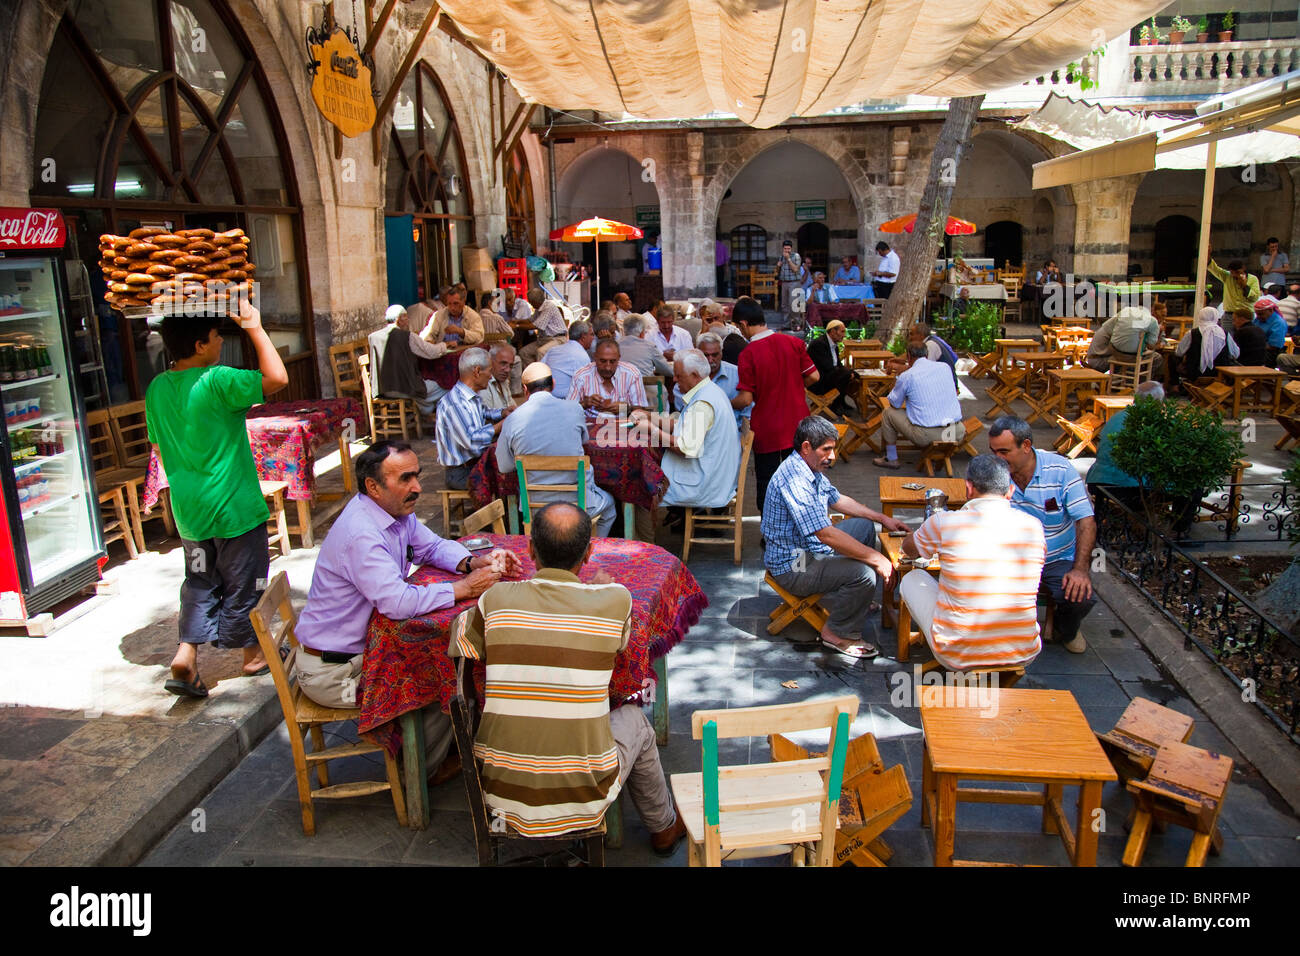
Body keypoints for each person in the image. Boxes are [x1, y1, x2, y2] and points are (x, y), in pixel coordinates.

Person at [447, 502, 686, 852]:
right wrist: (601, 590)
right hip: (583, 796)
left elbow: (459, 639)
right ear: (589, 552)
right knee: (635, 719)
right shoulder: (615, 601)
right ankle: (663, 827)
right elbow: (622, 642)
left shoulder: (495, 599)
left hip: (499, 790)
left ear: (529, 549)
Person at [294, 440, 514, 777]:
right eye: (406, 479)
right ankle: (420, 773)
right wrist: (463, 588)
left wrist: (472, 562)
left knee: (449, 663)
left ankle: (441, 748)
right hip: (334, 672)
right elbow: (396, 603)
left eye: (417, 476)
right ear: (374, 486)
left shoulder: (393, 513)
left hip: (357, 652)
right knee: (435, 680)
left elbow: (432, 547)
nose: (417, 487)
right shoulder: (362, 534)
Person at [149, 302, 288, 697]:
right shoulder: (217, 379)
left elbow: (158, 446)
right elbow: (276, 378)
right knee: (246, 580)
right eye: (215, 337)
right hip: (234, 507)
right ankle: (252, 655)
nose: (219, 343)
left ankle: (186, 656)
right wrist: (255, 328)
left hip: (190, 513)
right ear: (198, 344)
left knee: (200, 580)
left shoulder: (158, 388)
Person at [763, 416, 909, 658]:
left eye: (834, 448)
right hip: (794, 564)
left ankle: (855, 602)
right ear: (807, 447)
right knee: (864, 575)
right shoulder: (795, 478)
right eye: (826, 449)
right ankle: (837, 633)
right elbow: (826, 534)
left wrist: (882, 518)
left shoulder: (809, 466)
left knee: (863, 526)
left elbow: (836, 499)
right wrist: (876, 558)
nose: (832, 456)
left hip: (809, 550)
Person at [900, 454, 1046, 671]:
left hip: (956, 653)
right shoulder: (1033, 526)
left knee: (912, 577)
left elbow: (908, 550)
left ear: (969, 488)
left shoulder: (944, 522)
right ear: (1010, 491)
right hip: (1023, 651)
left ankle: (908, 647)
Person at [988, 415, 1096, 654]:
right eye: (994, 451)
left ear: (1026, 446)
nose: (998, 458)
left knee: (1080, 596)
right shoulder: (993, 472)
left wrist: (1080, 569)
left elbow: (1086, 521)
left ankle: (1066, 628)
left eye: (1004, 451)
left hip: (1056, 557)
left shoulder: (1060, 470)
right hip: (1009, 558)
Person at [497, 363, 616, 536]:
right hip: (577, 504)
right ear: (553, 383)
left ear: (524, 389)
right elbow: (583, 440)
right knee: (609, 507)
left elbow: (504, 467)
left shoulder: (512, 420)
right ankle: (587, 553)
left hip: (535, 508)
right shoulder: (574, 409)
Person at [732, 296, 819, 511]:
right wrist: (796, 387)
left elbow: (746, 399)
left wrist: (724, 403)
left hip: (767, 425)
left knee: (767, 481)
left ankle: (770, 531)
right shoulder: (793, 342)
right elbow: (814, 376)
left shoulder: (748, 354)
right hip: (798, 421)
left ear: (743, 324)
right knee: (800, 477)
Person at [633, 349, 742, 512]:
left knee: (638, 483)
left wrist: (651, 430)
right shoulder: (709, 390)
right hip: (715, 474)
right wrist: (650, 417)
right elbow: (683, 425)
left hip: (706, 482)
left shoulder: (702, 403)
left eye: (679, 375)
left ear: (695, 375)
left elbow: (685, 448)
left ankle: (642, 536)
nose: (675, 380)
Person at [874, 343, 964, 470]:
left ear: (909, 356)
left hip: (926, 435)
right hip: (957, 431)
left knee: (888, 413)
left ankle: (891, 458)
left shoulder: (908, 375)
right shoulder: (945, 367)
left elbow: (895, 403)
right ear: (926, 354)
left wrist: (898, 380)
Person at [435, 348, 508, 489]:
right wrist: (500, 425)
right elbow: (471, 440)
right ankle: (503, 510)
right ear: (477, 371)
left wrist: (503, 412)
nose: (491, 376)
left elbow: (485, 412)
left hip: (473, 464)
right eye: (489, 371)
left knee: (511, 469)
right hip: (460, 472)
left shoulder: (471, 397)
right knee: (507, 479)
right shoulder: (455, 403)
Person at [369, 303, 448, 424]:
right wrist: (445, 345)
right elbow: (431, 352)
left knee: (422, 392)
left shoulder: (373, 337)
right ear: (398, 319)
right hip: (404, 388)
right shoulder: (407, 336)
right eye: (405, 317)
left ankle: (424, 411)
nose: (408, 320)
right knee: (444, 386)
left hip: (381, 388)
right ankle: (428, 413)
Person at [674, 331, 750, 429]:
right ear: (697, 353)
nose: (710, 360)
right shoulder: (686, 376)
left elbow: (747, 413)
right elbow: (683, 414)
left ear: (722, 353)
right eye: (706, 355)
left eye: (715, 355)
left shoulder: (737, 374)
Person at [568, 339, 649, 420]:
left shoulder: (632, 374)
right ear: (595, 357)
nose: (607, 367)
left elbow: (640, 411)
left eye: (613, 361)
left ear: (619, 358)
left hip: (623, 426)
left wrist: (627, 409)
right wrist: (585, 404)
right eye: (602, 361)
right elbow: (568, 411)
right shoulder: (581, 376)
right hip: (589, 426)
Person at [1174, 306, 1238, 383]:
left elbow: (1179, 352)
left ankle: (1174, 386)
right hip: (1221, 375)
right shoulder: (1225, 334)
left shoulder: (1192, 333)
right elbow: (1235, 353)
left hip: (1195, 373)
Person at [808, 320, 855, 415]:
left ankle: (841, 402)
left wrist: (851, 373)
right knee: (845, 374)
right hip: (817, 381)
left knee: (850, 374)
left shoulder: (834, 345)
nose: (844, 335)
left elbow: (838, 365)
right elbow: (827, 366)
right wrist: (848, 373)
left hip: (828, 376)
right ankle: (836, 406)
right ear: (833, 331)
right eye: (842, 332)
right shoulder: (819, 344)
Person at [542, 320, 595, 400]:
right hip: (565, 401)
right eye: (591, 334)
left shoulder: (553, 350)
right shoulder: (582, 356)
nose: (593, 338)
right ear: (583, 337)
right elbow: (588, 387)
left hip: (546, 397)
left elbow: (540, 368)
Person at [518, 287, 568, 365]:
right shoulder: (538, 308)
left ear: (535, 302)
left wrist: (517, 326)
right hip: (544, 340)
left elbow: (535, 325)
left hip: (558, 339)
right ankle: (532, 374)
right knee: (523, 352)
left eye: (531, 302)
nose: (530, 304)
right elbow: (530, 320)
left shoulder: (548, 306)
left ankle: (541, 375)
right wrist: (517, 321)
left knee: (541, 352)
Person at [616, 313, 674, 377]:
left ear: (624, 331)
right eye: (645, 332)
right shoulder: (649, 346)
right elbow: (668, 370)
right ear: (641, 333)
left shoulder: (615, 346)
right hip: (645, 385)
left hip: (620, 385)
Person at [909, 320, 959, 387]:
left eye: (912, 334)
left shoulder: (930, 345)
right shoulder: (930, 341)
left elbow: (923, 370)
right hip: (944, 382)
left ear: (921, 335)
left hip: (946, 385)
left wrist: (902, 369)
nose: (910, 338)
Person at [477, 341, 518, 412]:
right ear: (490, 361)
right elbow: (487, 419)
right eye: (503, 363)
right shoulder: (484, 385)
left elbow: (513, 407)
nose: (507, 370)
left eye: (511, 366)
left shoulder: (503, 381)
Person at [1253, 295, 1288, 366]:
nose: (1259, 317)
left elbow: (1274, 346)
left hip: (1271, 353)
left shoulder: (1278, 323)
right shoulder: (1258, 320)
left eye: (1261, 314)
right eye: (1257, 314)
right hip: (1258, 348)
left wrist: (1255, 346)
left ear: (1270, 310)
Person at [775, 239, 802, 326]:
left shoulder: (796, 256)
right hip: (784, 282)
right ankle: (786, 323)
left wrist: (788, 259)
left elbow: (795, 269)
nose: (787, 250)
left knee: (794, 304)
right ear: (783, 248)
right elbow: (778, 271)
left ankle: (796, 324)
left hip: (794, 282)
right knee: (784, 304)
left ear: (791, 248)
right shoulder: (781, 257)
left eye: (788, 248)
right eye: (785, 248)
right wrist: (778, 266)